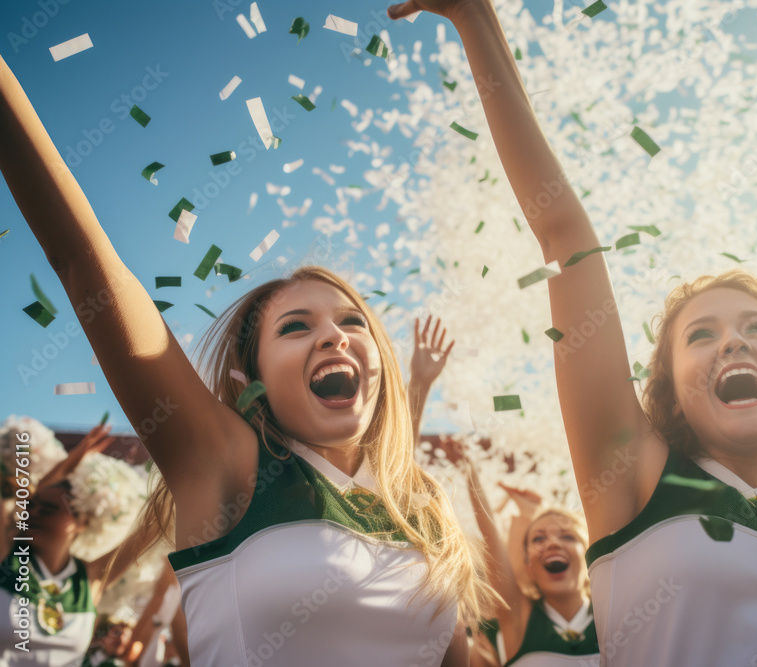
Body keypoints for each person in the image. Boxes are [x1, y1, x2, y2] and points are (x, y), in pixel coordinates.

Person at [388, 1, 757, 663]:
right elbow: (566, 237)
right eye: (700, 335)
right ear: (672, 393)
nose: (733, 340)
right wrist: (478, 22)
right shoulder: (635, 478)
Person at [0, 51, 489, 666]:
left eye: (352, 322)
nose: (334, 337)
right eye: (295, 327)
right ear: (252, 379)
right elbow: (83, 259)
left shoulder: (427, 511)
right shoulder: (228, 462)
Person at [409, 317, 599, 666]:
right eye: (538, 538)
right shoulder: (519, 618)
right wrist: (469, 471)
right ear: (525, 562)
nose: (552, 543)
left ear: (590, 553)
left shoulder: (619, 616)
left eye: (567, 536)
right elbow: (491, 535)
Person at [0, 423, 133, 667]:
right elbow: (34, 496)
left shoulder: (89, 580)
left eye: (48, 509)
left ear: (84, 522)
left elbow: (146, 532)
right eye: (30, 507)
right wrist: (76, 458)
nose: (34, 513)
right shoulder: (6, 557)